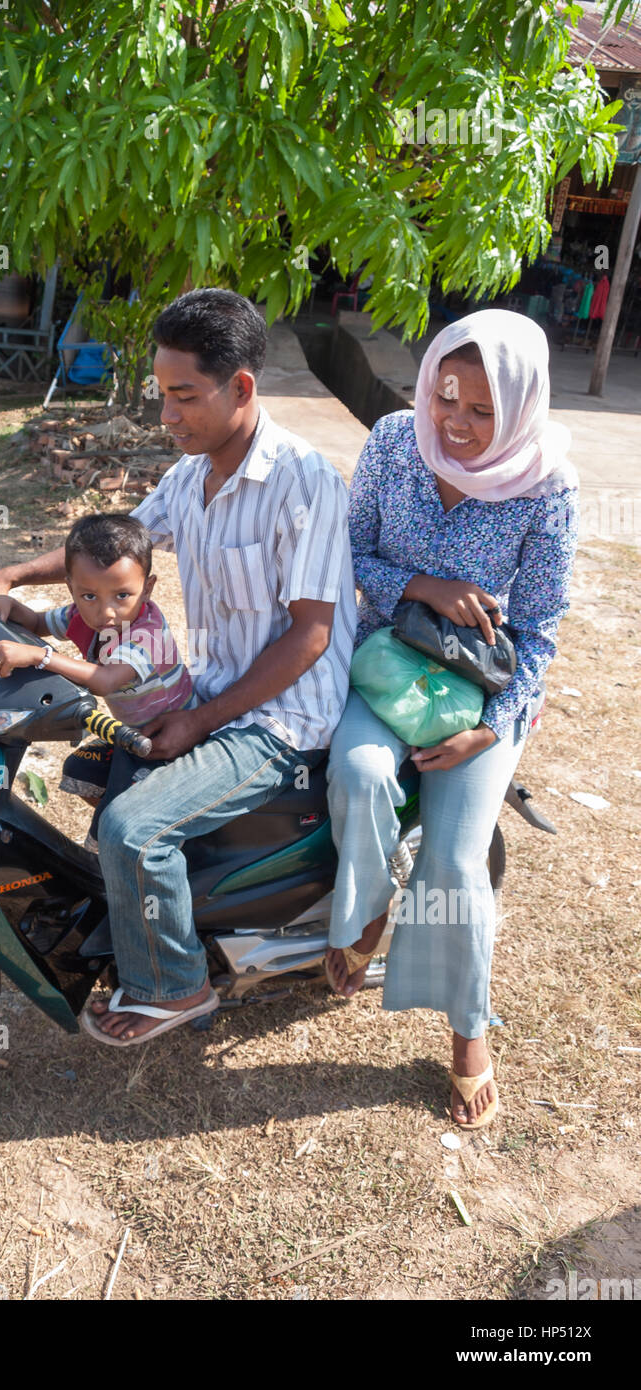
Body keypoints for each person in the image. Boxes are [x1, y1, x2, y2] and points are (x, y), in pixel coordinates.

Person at [0, 288, 357, 1045]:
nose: (166, 415)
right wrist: (7, 578)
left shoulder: (302, 482)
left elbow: (309, 639)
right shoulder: (191, 473)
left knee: (135, 828)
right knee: (100, 779)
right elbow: (113, 548)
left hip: (281, 720)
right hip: (213, 689)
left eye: (183, 397)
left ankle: (174, 987)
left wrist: (199, 718)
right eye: (160, 394)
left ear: (240, 388)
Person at [324, 309, 578, 1129]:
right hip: (385, 664)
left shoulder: (548, 487)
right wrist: (422, 586)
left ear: (521, 409)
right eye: (447, 399)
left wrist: (489, 730)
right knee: (359, 771)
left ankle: (468, 1032)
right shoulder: (396, 440)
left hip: (474, 697)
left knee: (457, 860)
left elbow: (536, 630)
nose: (457, 425)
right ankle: (363, 918)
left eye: (481, 411)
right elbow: (346, 552)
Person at [0, 512, 195, 851]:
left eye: (122, 595)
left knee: (116, 825)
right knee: (81, 768)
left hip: (166, 742)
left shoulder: (147, 634)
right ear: (71, 588)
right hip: (132, 734)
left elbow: (106, 680)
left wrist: (40, 657)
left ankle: (121, 863)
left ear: (148, 588)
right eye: (89, 596)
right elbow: (36, 621)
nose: (105, 612)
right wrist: (8, 603)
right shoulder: (82, 615)